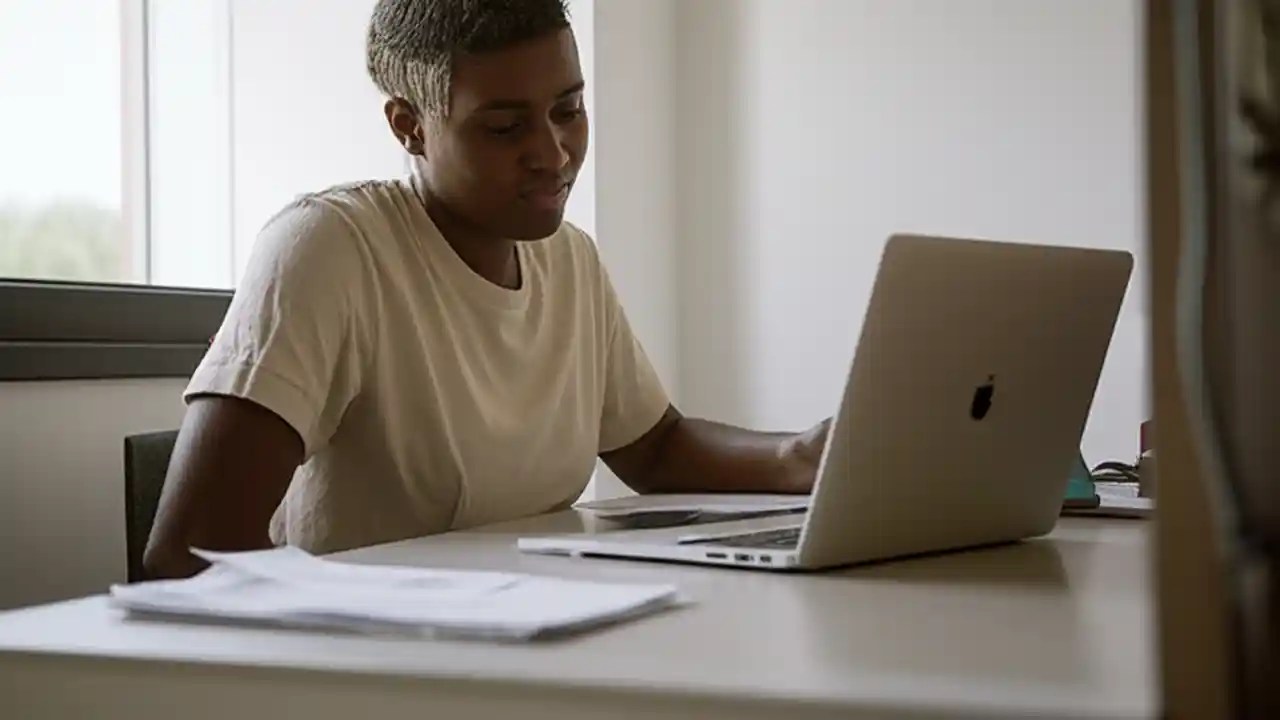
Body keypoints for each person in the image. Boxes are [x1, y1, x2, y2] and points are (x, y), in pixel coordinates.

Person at [144, 0, 830, 580]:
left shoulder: (570, 261)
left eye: (569, 110)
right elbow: (189, 555)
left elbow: (654, 448)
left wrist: (804, 454)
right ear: (408, 125)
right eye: (506, 127)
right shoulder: (330, 249)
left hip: (527, 638)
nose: (554, 153)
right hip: (375, 668)